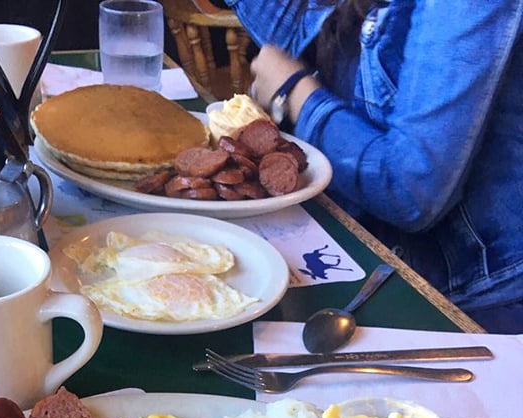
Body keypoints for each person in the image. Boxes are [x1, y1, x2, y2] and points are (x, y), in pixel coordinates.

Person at [222, 0, 523, 333]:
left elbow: (410, 191)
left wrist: (295, 93)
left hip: (468, 299)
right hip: (368, 247)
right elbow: (296, 34)